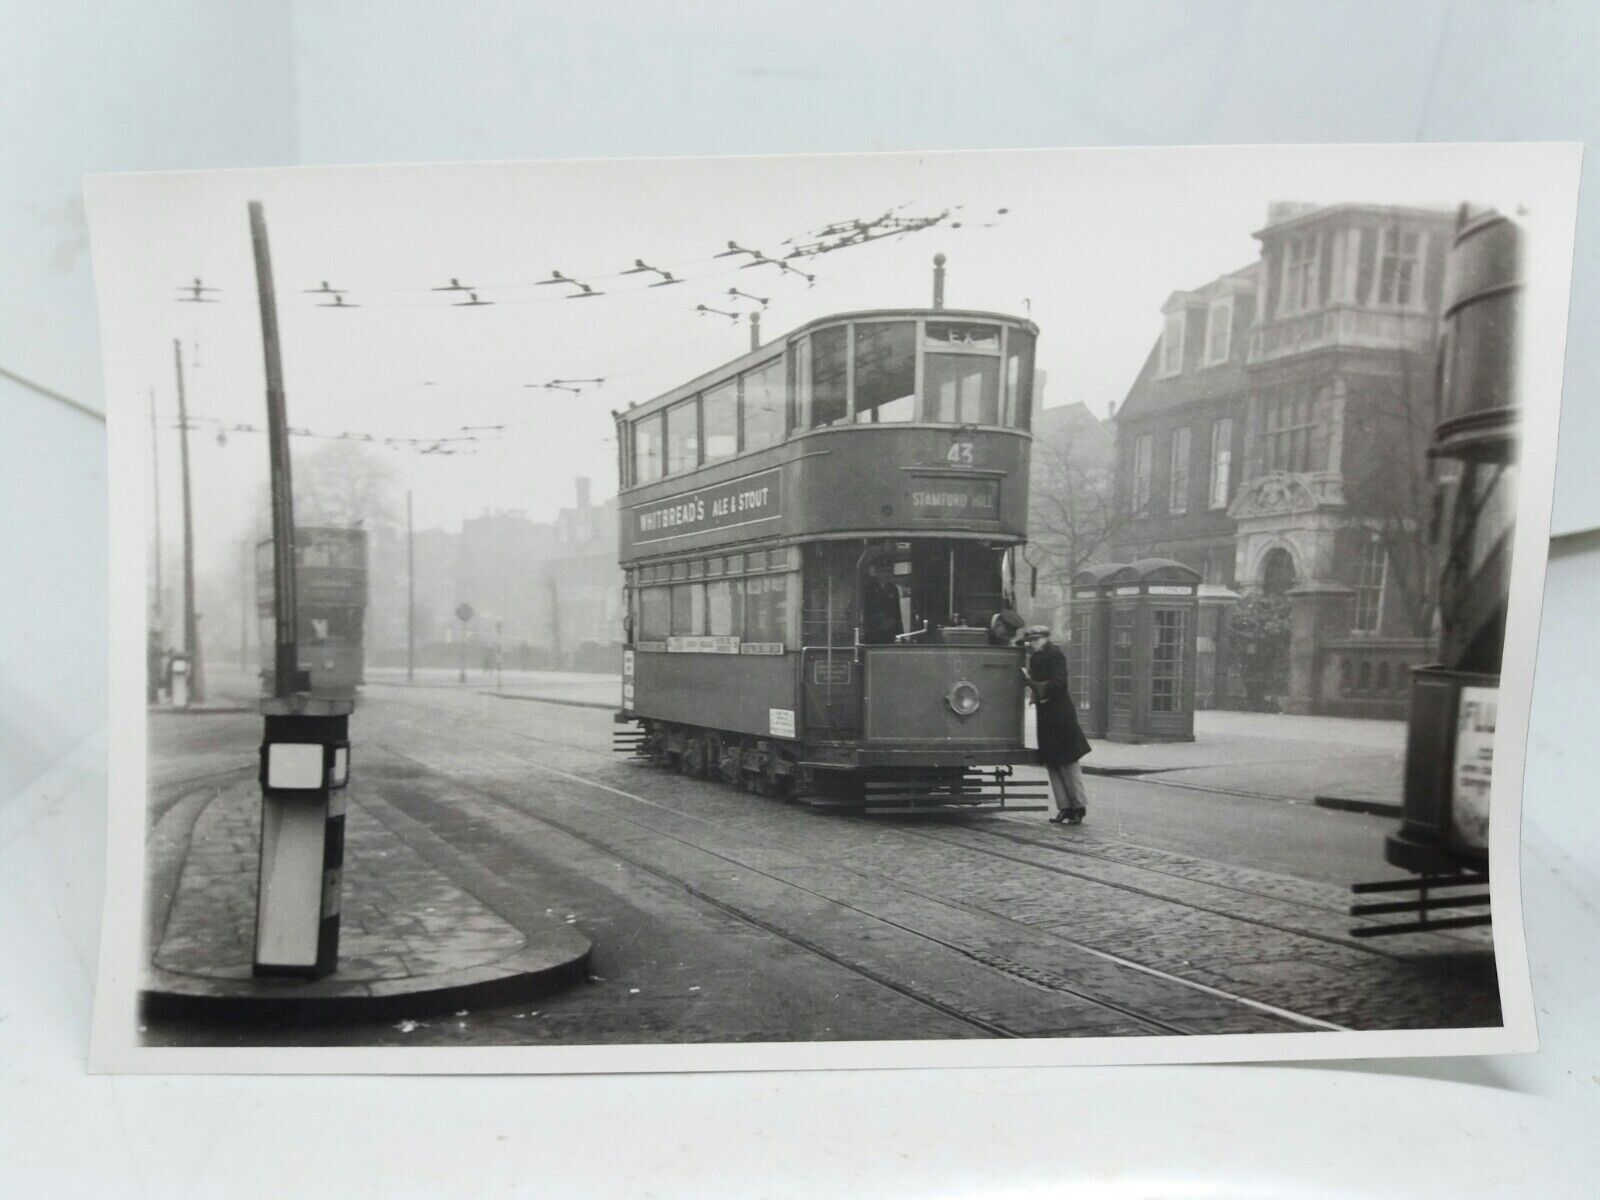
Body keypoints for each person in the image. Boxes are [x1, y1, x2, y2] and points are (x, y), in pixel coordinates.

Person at [1019, 624, 1090, 824]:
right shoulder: (1035, 656)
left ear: (1045, 639)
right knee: (1052, 763)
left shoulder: (1056, 655)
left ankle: (1078, 807)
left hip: (1060, 715)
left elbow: (1060, 684)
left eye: (1036, 640)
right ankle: (1064, 808)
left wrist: (1032, 684)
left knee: (1068, 762)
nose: (1033, 644)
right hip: (1046, 715)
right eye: (1031, 641)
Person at [861, 561, 904, 644]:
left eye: (888, 571)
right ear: (877, 572)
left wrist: (900, 632)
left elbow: (897, 612)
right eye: (883, 571)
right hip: (874, 631)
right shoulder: (870, 589)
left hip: (890, 631)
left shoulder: (893, 589)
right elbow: (867, 611)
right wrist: (879, 621)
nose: (886, 574)